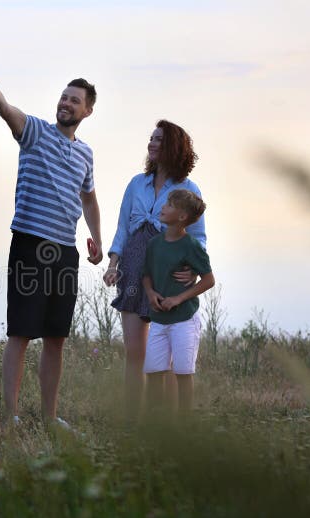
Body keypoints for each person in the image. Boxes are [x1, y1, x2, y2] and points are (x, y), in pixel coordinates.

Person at [0, 55, 103, 426]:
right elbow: (4, 109)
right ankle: (10, 416)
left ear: (87, 111)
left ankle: (49, 417)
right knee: (22, 332)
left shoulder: (85, 154)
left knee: (56, 337)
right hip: (29, 244)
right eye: (63, 97)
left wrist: (96, 239)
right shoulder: (35, 132)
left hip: (64, 253)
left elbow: (88, 198)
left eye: (75, 100)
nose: (66, 103)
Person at [103, 120, 206, 417]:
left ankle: (167, 422)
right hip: (133, 269)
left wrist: (194, 272)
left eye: (159, 139)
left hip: (170, 274)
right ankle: (133, 419)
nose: (151, 144)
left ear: (173, 146)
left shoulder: (189, 188)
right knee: (135, 352)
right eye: (151, 138)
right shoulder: (137, 183)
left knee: (168, 354)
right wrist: (113, 264)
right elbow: (123, 227)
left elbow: (198, 238)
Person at [142, 189, 214, 412]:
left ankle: (184, 424)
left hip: (184, 320)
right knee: (154, 372)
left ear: (182, 217)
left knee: (183, 373)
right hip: (159, 321)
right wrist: (151, 294)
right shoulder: (154, 244)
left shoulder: (191, 245)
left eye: (169, 205)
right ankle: (157, 422)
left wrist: (179, 298)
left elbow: (208, 280)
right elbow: (146, 274)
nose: (163, 208)